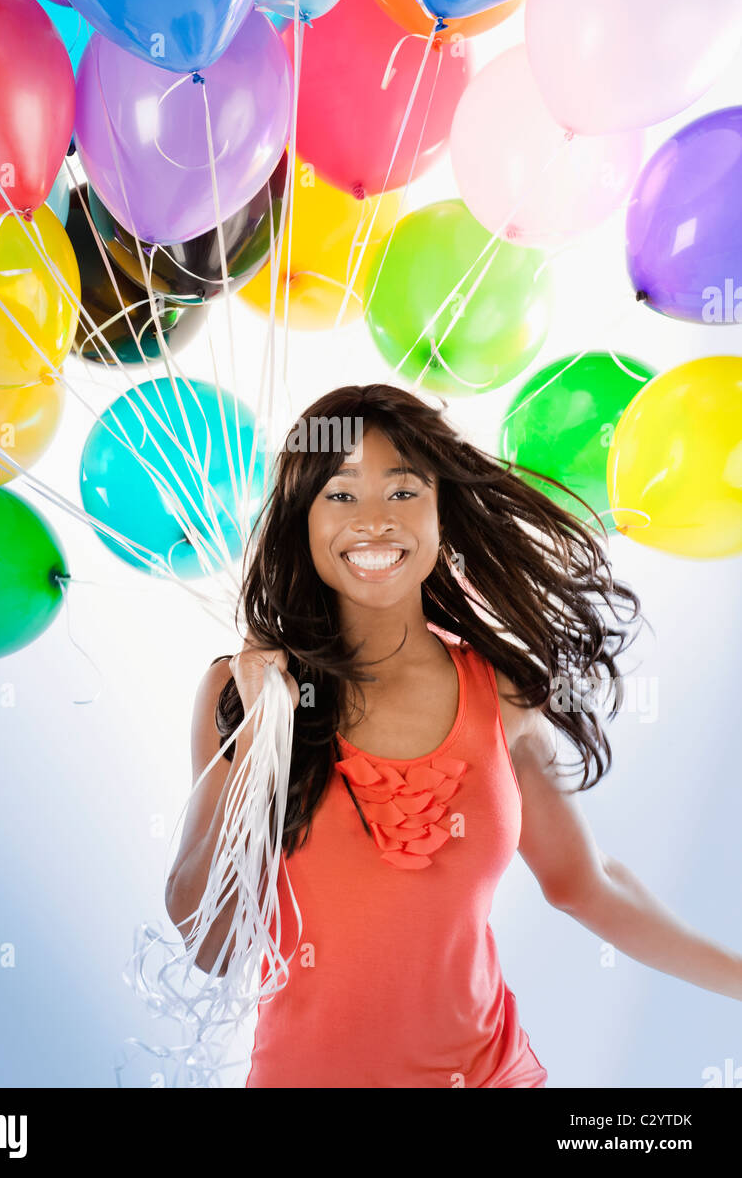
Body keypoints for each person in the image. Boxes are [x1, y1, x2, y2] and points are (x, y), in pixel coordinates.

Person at [165, 383, 742, 1088]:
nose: (374, 522)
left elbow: (586, 885)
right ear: (301, 520)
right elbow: (209, 942)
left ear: (442, 514)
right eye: (341, 495)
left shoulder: (502, 696)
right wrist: (261, 741)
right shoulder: (240, 693)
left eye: (403, 492)